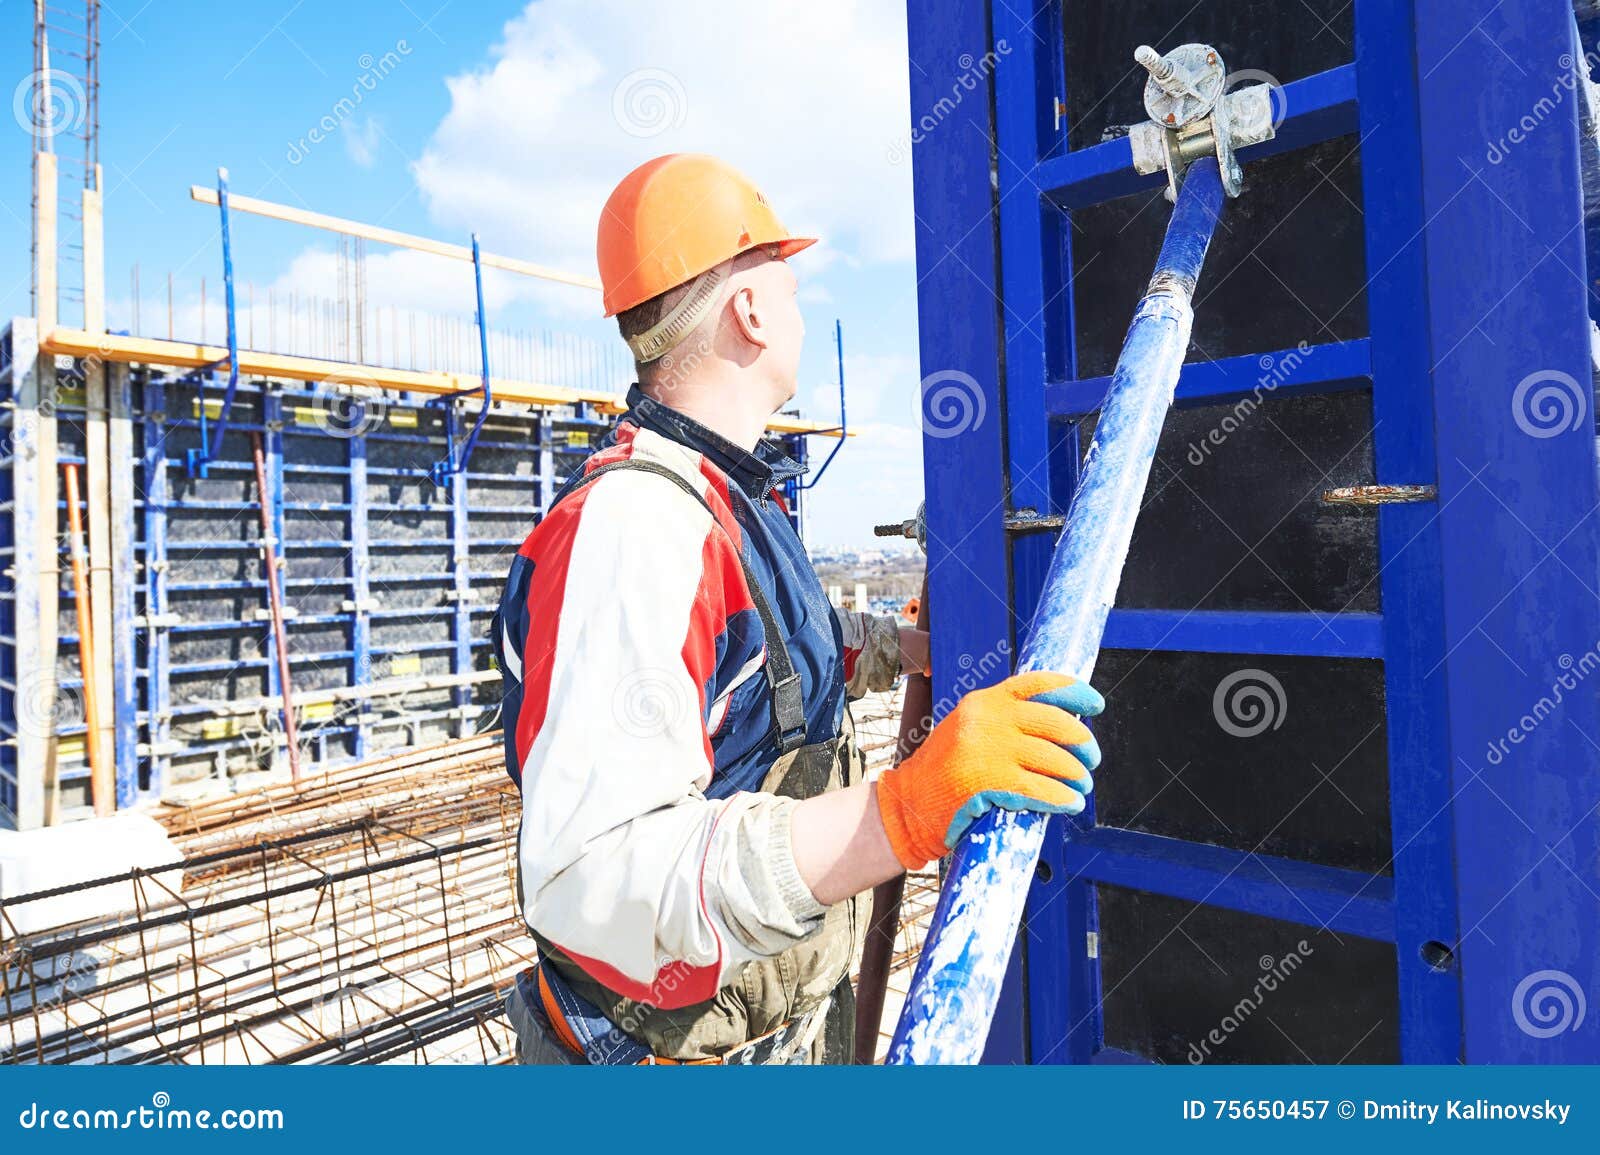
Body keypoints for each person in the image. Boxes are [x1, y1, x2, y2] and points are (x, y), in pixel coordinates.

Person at [493, 154, 1105, 1064]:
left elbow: (772, 661)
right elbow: (599, 877)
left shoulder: (728, 497)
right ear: (748, 309)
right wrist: (903, 810)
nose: (800, 308)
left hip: (778, 1027)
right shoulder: (636, 529)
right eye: (788, 279)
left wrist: (901, 645)